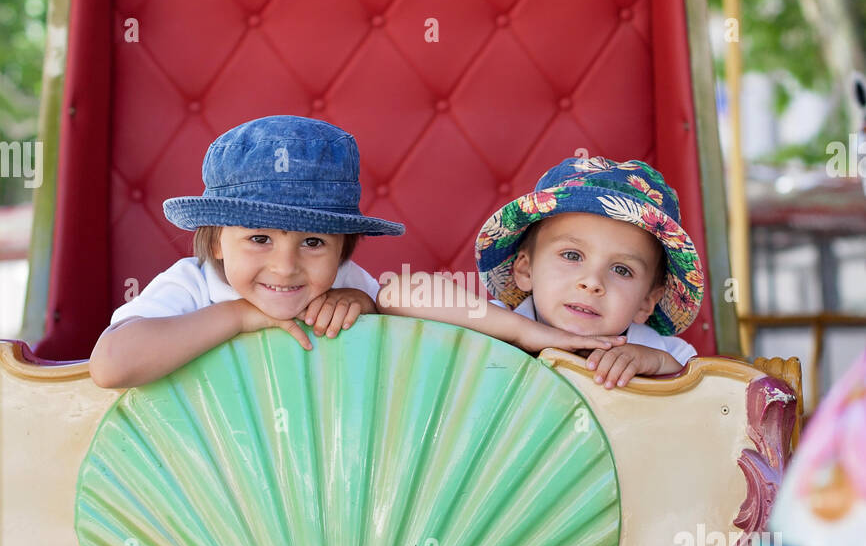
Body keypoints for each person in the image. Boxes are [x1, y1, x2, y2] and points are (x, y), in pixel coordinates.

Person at [89, 115, 404, 389]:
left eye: (312, 243)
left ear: (341, 251)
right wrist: (237, 315)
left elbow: (406, 347)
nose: (284, 267)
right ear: (216, 242)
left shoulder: (344, 280)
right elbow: (110, 366)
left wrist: (364, 305)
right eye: (259, 238)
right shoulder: (190, 285)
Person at [378, 156, 703, 387]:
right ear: (525, 269)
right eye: (572, 254)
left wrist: (662, 369)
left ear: (648, 300)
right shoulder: (496, 324)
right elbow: (396, 294)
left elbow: (711, 407)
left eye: (621, 269)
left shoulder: (666, 354)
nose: (591, 282)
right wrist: (522, 332)